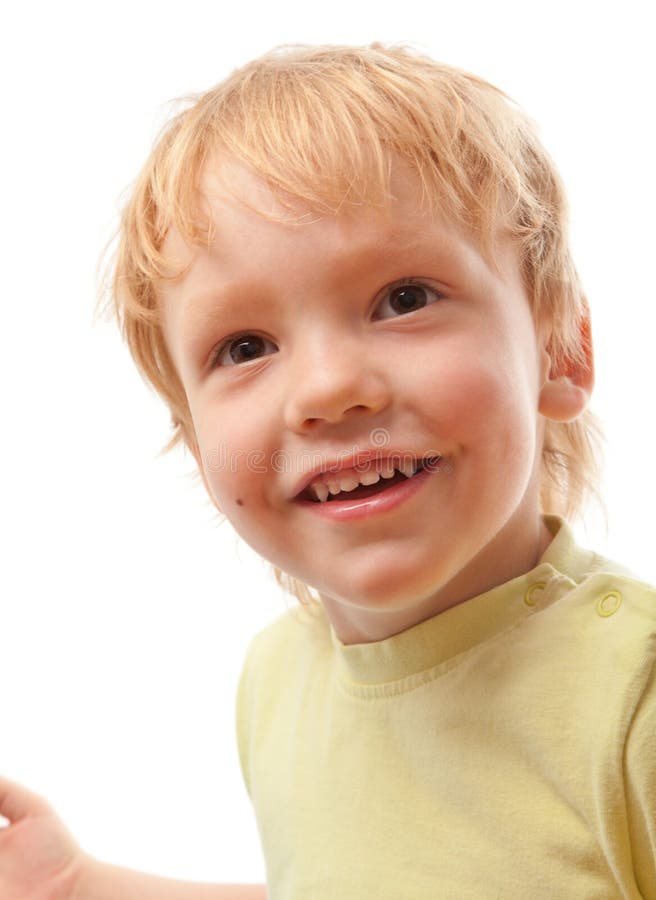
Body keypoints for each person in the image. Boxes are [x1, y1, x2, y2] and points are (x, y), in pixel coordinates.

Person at [1, 43, 654, 900]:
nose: (327, 389)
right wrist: (81, 887)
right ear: (198, 447)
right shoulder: (278, 681)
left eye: (405, 298)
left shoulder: (632, 702)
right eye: (245, 348)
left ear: (560, 352)